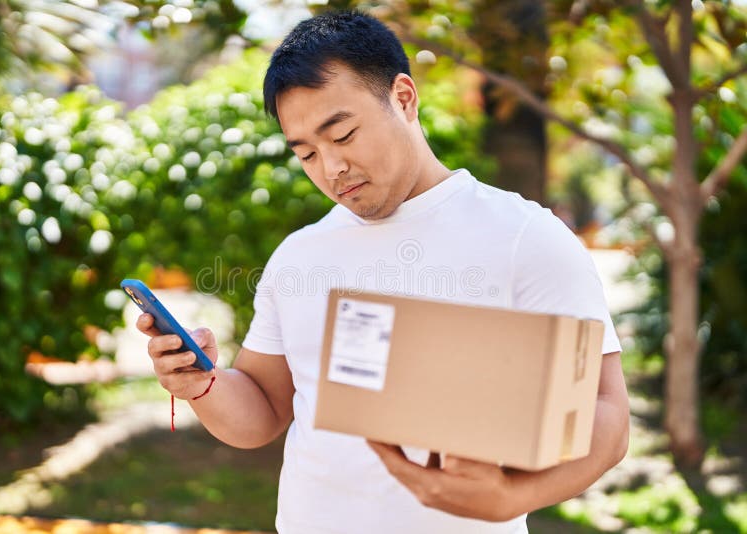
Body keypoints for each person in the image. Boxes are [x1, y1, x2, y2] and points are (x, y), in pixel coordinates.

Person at [137, 11, 629, 533]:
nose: (331, 168)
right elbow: (261, 410)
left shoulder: (525, 237)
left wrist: (510, 498)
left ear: (403, 97)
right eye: (305, 153)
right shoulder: (300, 256)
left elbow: (606, 414)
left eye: (343, 135)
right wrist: (201, 383)